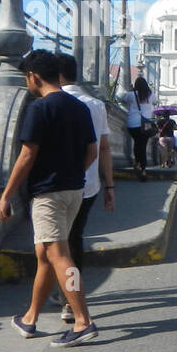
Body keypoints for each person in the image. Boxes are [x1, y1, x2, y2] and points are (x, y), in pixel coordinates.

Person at [0, 49, 99, 347]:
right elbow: (92, 151)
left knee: (58, 255)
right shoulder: (79, 107)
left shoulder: (39, 109)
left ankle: (83, 321)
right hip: (74, 190)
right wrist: (71, 172)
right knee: (46, 255)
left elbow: (27, 154)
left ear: (34, 77)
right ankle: (30, 318)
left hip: (48, 194)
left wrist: (6, 196)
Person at [57, 53, 114, 324]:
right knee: (74, 241)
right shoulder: (95, 104)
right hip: (88, 185)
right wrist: (110, 185)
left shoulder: (50, 103)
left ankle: (69, 299)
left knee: (57, 245)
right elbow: (103, 148)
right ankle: (71, 300)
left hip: (56, 185)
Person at [122, 77, 154, 180]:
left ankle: (138, 163)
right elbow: (155, 101)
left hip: (133, 123)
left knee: (137, 143)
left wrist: (131, 91)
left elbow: (122, 99)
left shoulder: (131, 95)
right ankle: (143, 169)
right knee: (143, 145)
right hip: (146, 124)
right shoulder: (151, 94)